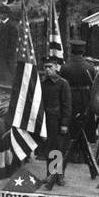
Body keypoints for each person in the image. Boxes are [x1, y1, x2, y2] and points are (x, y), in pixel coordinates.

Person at [60, 37, 96, 162]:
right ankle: (84, 155)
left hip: (70, 98)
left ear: (71, 51)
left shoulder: (65, 67)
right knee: (84, 126)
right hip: (86, 99)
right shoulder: (89, 67)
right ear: (83, 51)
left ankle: (71, 154)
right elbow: (94, 85)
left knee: (72, 126)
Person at [39, 56, 73, 185]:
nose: (47, 70)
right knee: (49, 148)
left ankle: (59, 176)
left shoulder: (63, 83)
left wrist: (64, 123)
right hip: (46, 122)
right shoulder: (42, 84)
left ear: (56, 68)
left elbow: (67, 105)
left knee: (58, 149)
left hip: (58, 122)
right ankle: (49, 175)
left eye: (50, 67)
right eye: (45, 67)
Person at [0, 6, 17, 92]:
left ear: (6, 14)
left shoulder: (12, 26)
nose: (0, 15)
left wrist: (9, 52)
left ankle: (16, 88)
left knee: (12, 71)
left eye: (2, 13)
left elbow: (13, 42)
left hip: (8, 54)